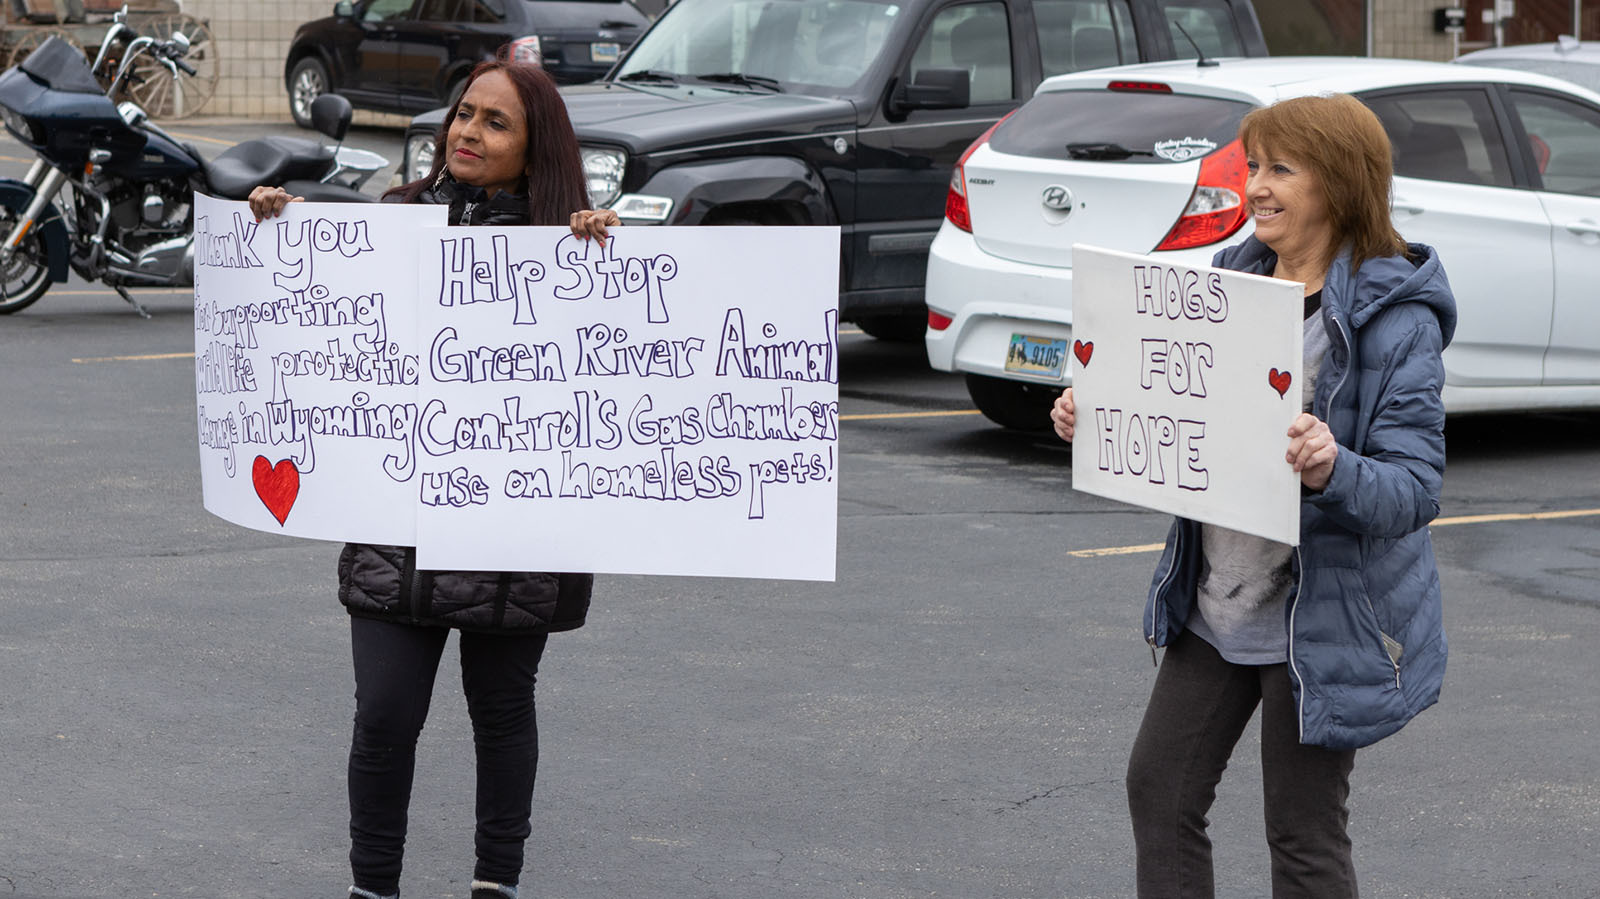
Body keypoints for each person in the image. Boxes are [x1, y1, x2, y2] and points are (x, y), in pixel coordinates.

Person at [1050, 93, 1456, 897]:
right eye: (1254, 167)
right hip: (1217, 596)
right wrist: (1092, 412)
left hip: (1322, 616)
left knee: (1301, 833)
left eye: (1281, 168)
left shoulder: (1394, 319)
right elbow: (1183, 410)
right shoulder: (1229, 277)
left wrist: (1332, 465)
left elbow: (1413, 489)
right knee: (1158, 791)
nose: (1257, 186)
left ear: (1338, 183)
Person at [249, 53, 619, 899]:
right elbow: (324, 312)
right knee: (383, 716)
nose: (468, 132)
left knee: (500, 713)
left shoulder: (571, 245)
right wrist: (275, 223)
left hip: (512, 532)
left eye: (495, 122)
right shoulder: (396, 220)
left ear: (537, 147)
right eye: (463, 114)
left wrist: (604, 259)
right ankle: (371, 887)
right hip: (397, 524)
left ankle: (498, 883)